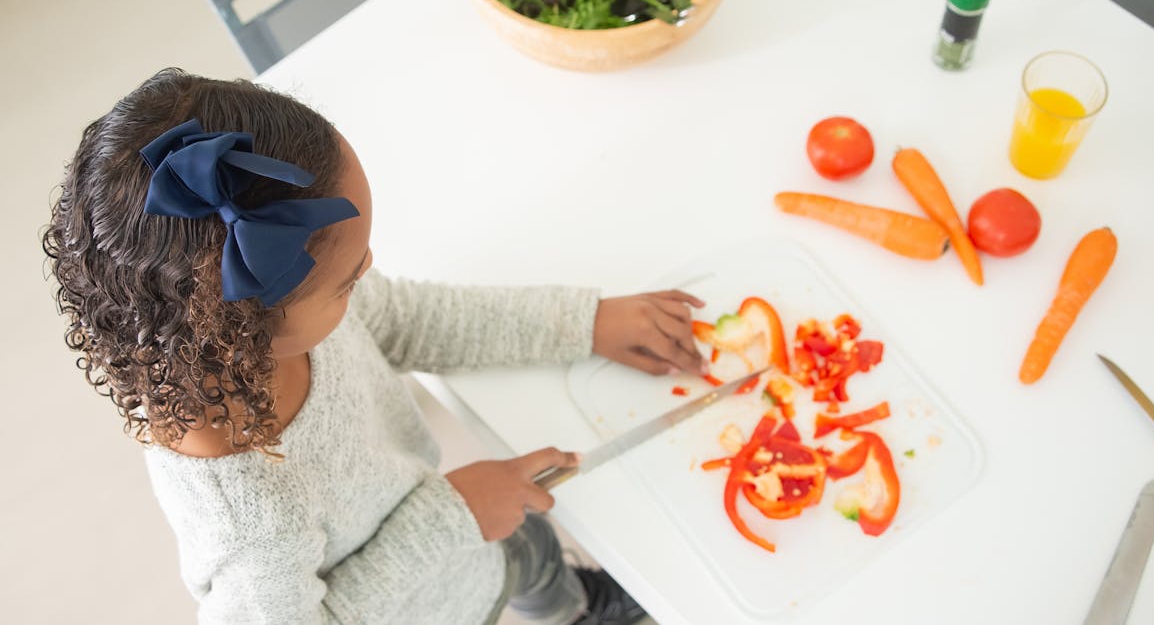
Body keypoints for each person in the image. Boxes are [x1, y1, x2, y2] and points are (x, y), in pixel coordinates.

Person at [42, 68, 709, 625]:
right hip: (436, 587)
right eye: (347, 280)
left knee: (534, 558)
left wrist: (584, 321)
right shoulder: (246, 523)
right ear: (243, 327)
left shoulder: (271, 320)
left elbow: (416, 317)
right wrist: (453, 515)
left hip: (466, 517)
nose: (368, 275)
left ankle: (577, 608)